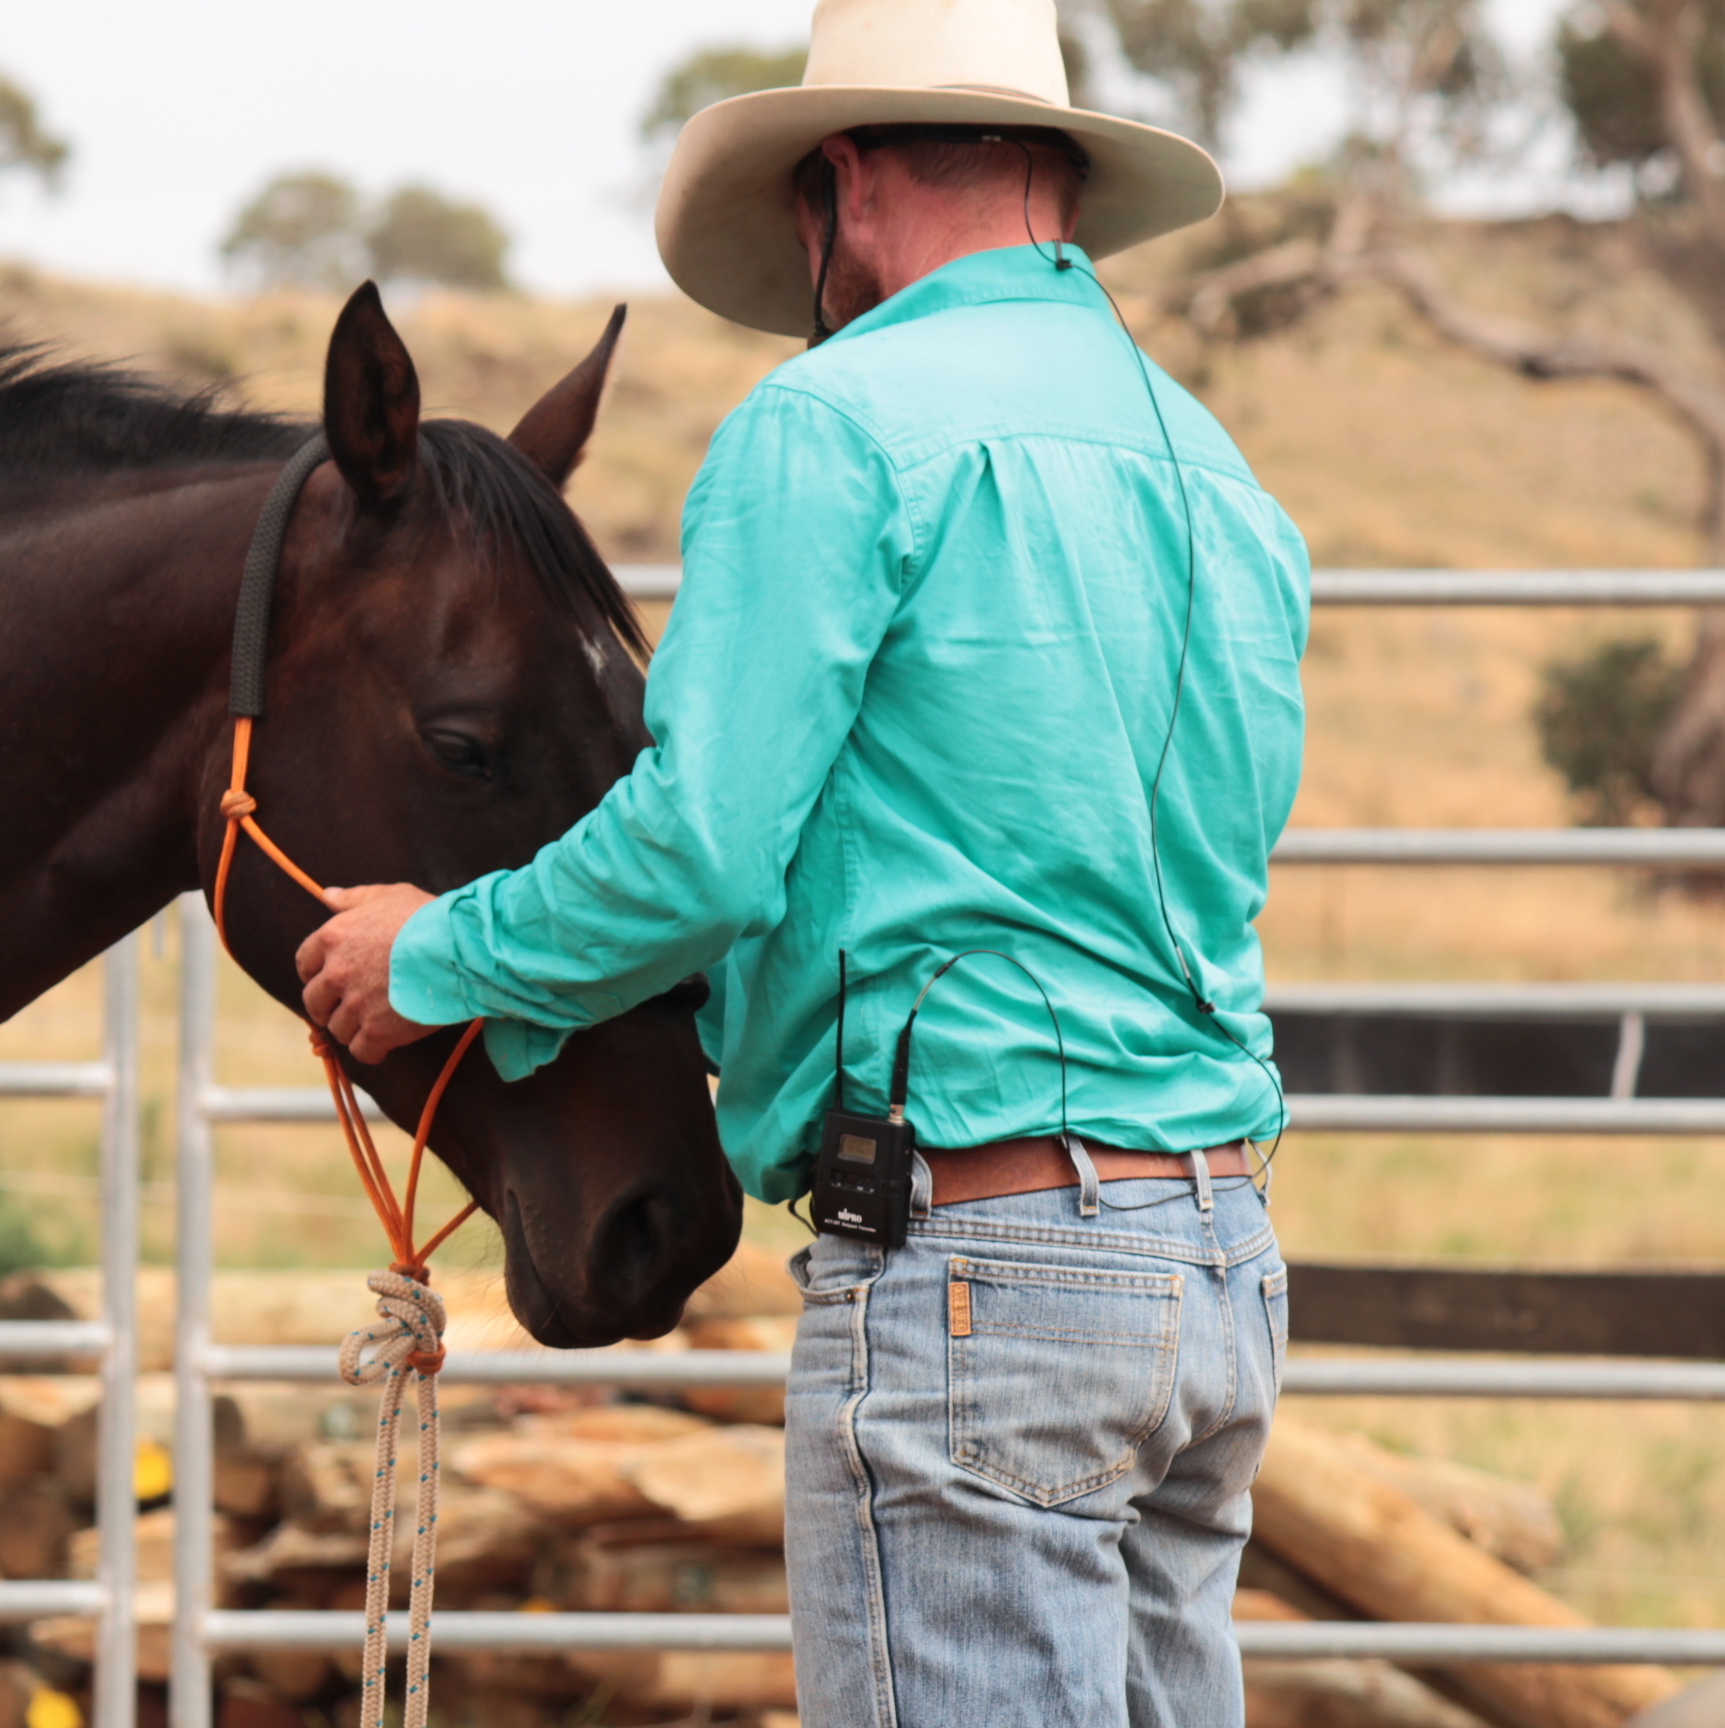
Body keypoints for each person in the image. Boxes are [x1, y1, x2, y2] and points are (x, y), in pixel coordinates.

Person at [293, 0, 1309, 1720]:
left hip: (981, 1265)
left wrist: (437, 955)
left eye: (797, 217)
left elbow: (704, 847)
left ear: (841, 178)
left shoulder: (832, 426)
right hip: (1210, 1256)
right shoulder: (1213, 469)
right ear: (1060, 180)